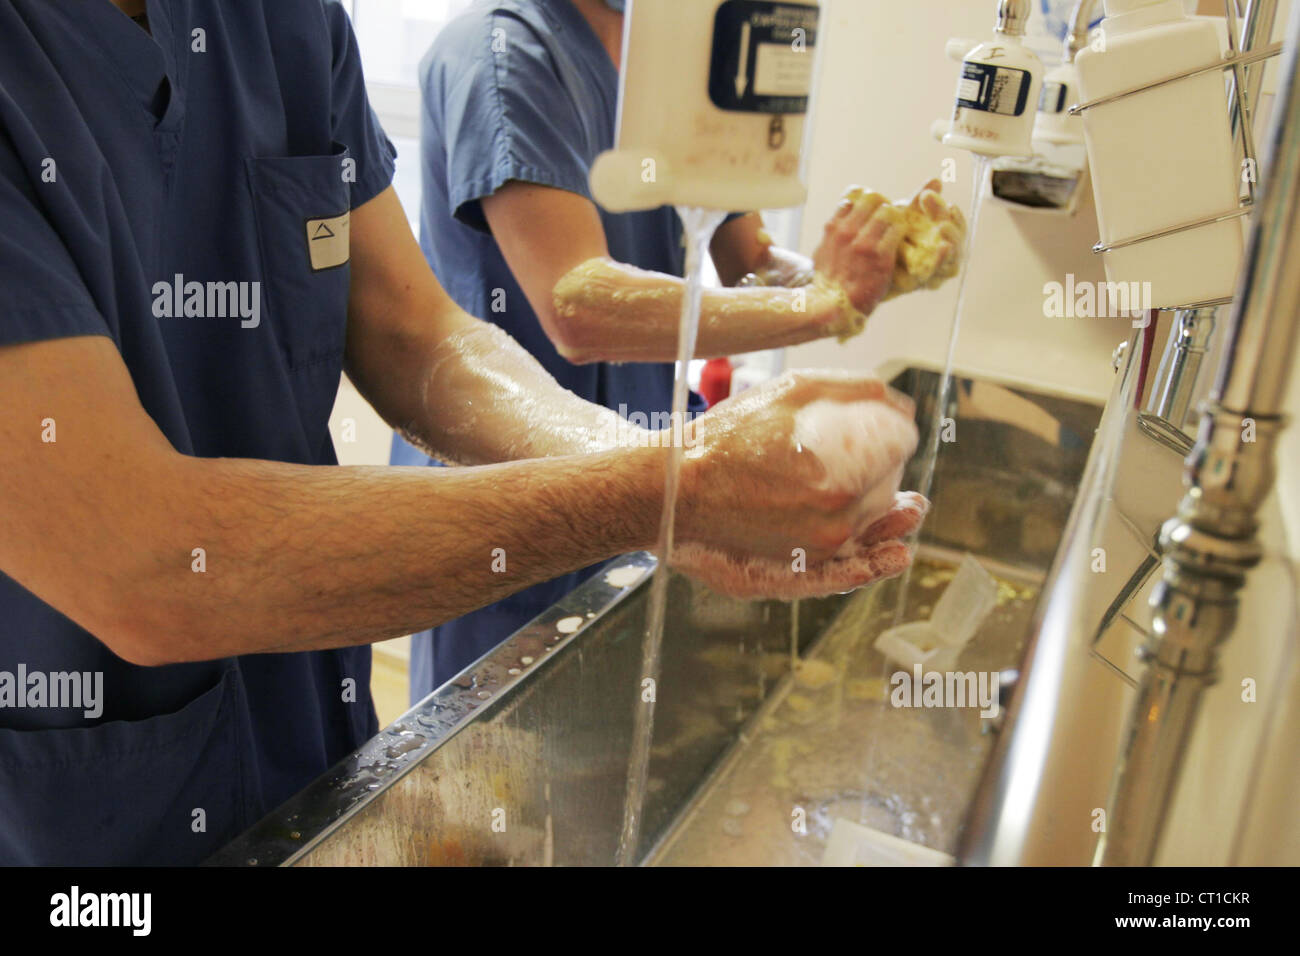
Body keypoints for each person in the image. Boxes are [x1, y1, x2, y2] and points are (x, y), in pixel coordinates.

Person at [0, 0, 924, 864]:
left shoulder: (283, 20)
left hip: (305, 740)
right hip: (82, 802)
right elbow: (144, 559)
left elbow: (418, 336)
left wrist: (670, 475)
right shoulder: (501, 58)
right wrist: (668, 485)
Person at [394, 0, 965, 701]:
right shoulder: (502, 55)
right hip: (510, 476)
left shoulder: (674, 58)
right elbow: (577, 306)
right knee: (497, 744)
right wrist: (823, 304)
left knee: (609, 722)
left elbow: (747, 258)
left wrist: (870, 273)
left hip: (645, 461)